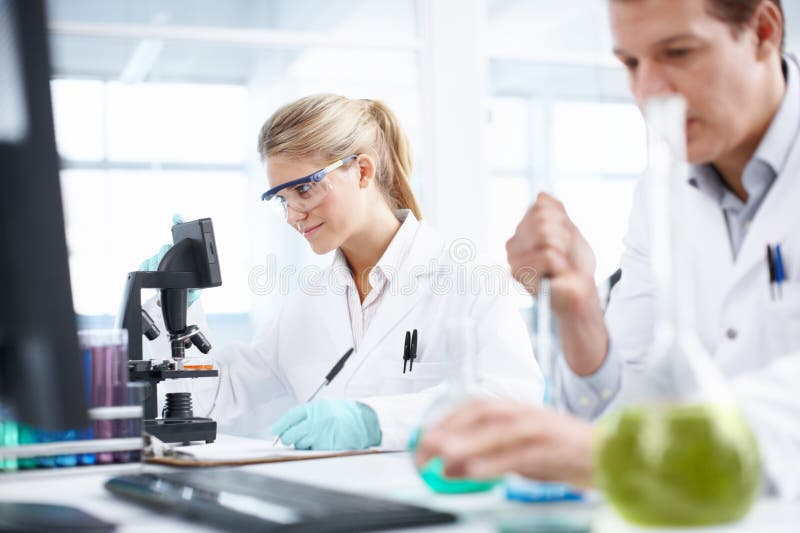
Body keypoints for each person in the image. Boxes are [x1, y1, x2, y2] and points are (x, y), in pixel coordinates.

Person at [417, 0, 800, 497]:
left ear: (764, 31)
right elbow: (623, 406)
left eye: (679, 52)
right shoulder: (662, 187)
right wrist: (578, 312)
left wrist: (608, 454)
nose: (648, 93)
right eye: (631, 63)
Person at [142, 94, 544, 451]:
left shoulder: (468, 279)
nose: (292, 215)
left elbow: (514, 398)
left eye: (304, 189)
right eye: (281, 199)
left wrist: (375, 422)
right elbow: (216, 402)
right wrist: (173, 307)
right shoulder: (307, 302)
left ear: (363, 172)